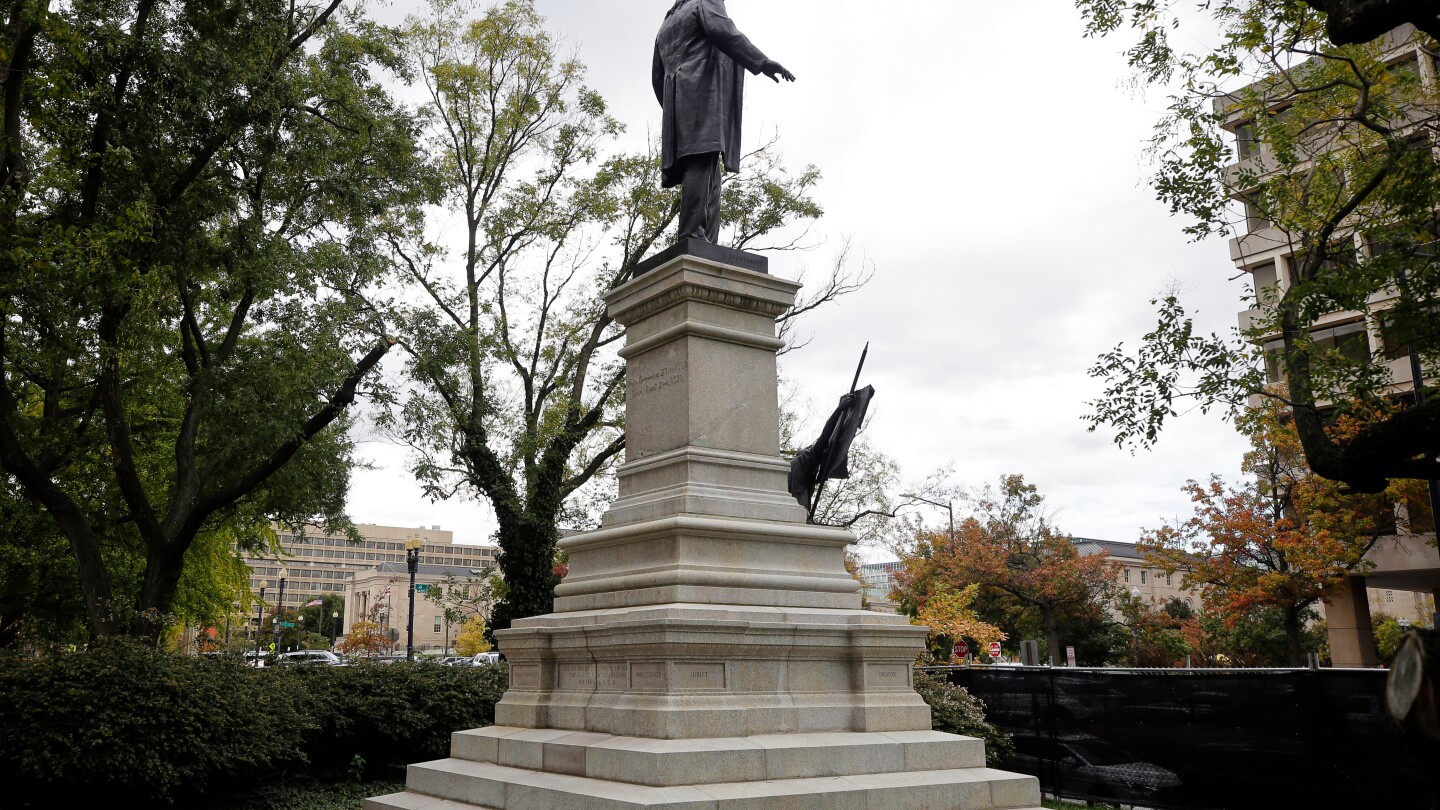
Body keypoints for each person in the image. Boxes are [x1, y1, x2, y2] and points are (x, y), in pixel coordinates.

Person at [652, 0, 795, 243]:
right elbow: (725, 31)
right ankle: (693, 235)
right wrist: (761, 62)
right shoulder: (703, 2)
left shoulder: (666, 23)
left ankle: (708, 239)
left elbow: (657, 77)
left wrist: (676, 107)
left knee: (709, 167)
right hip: (702, 91)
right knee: (701, 159)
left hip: (678, 102)